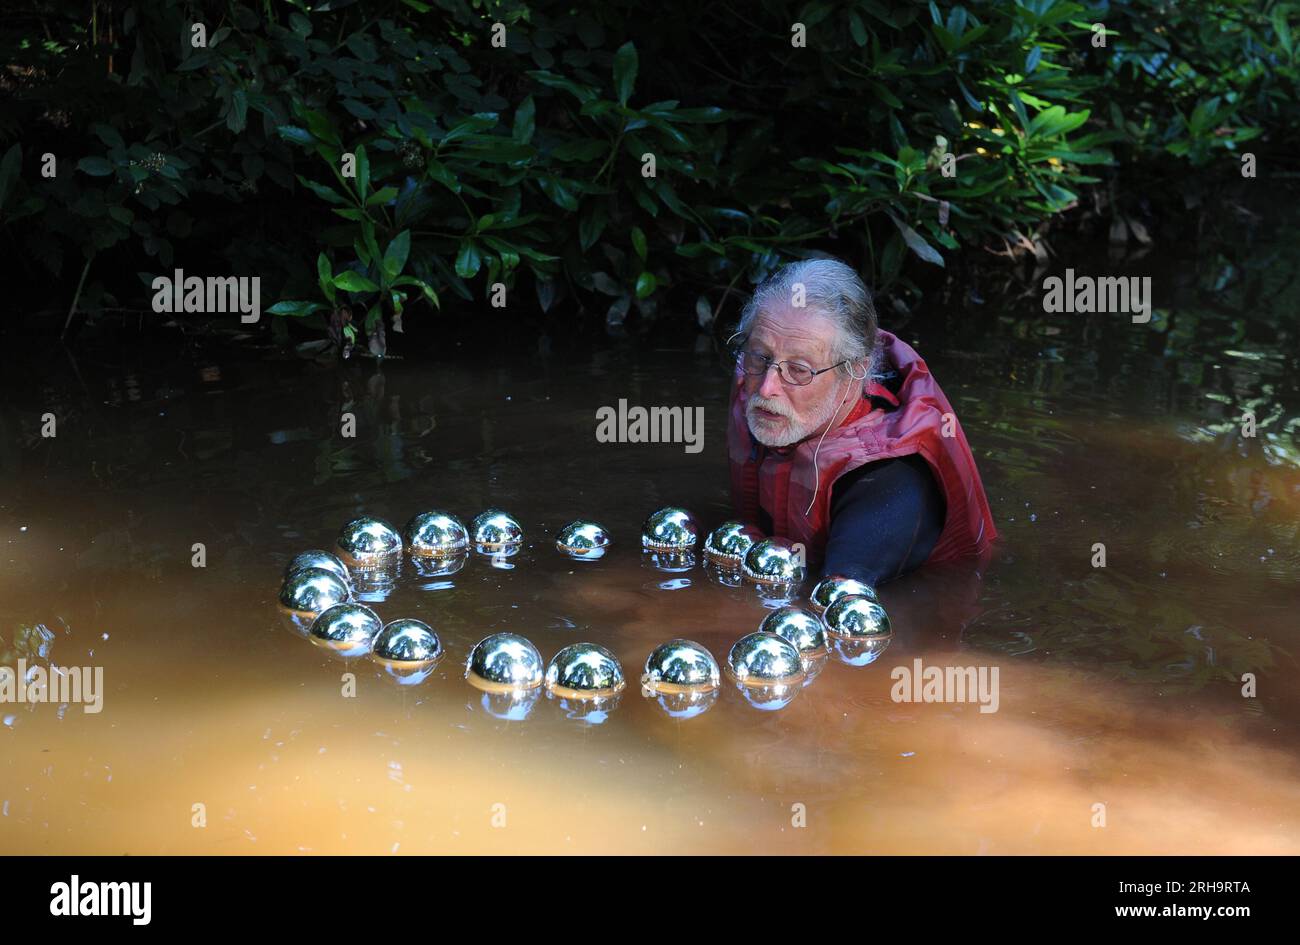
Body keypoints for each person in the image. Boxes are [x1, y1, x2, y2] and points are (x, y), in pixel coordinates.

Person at [726, 256, 997, 585]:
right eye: (760, 356)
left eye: (799, 370)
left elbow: (840, 616)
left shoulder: (890, 479)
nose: (767, 388)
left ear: (855, 372)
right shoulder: (762, 390)